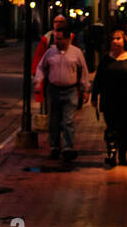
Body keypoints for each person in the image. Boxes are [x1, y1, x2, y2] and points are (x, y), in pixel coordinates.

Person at [91, 28, 127, 168]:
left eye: (118, 38)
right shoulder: (106, 60)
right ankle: (111, 154)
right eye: (113, 39)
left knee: (124, 126)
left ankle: (122, 155)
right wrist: (94, 95)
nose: (115, 41)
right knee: (111, 126)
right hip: (109, 97)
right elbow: (98, 79)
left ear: (124, 41)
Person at [34, 21, 90, 164]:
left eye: (59, 39)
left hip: (70, 90)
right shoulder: (50, 52)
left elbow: (83, 71)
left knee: (68, 120)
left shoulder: (76, 53)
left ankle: (67, 147)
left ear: (67, 39)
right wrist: (38, 82)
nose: (57, 42)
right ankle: (54, 147)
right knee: (54, 120)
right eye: (56, 39)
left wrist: (85, 89)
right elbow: (41, 68)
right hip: (53, 90)